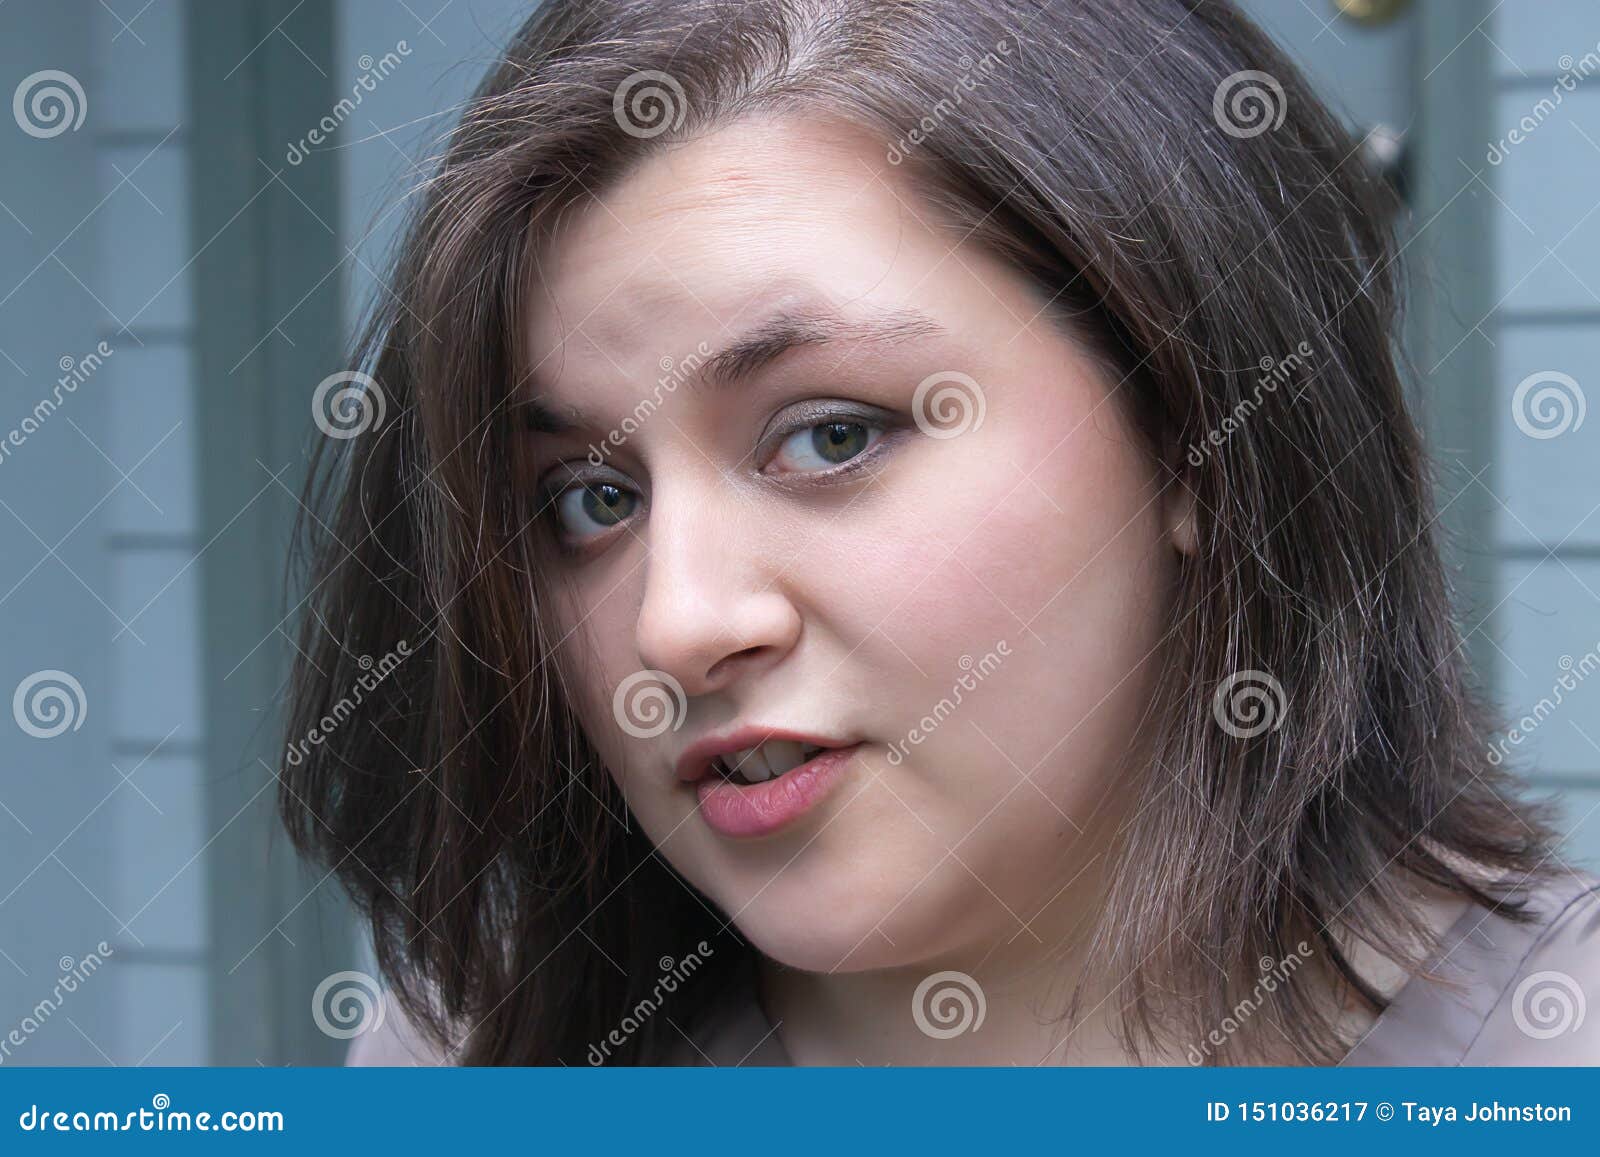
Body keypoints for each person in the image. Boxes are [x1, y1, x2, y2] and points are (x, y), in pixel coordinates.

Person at [281, 0, 1598, 1067]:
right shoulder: (482, 1056)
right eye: (591, 498)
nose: (674, 622)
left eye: (833, 435)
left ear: (1201, 430)